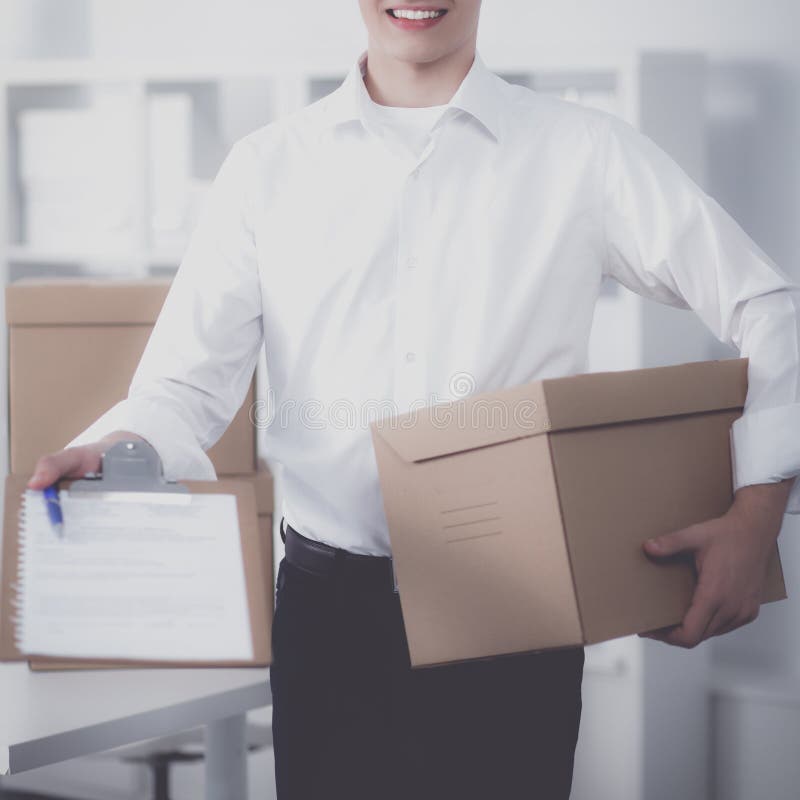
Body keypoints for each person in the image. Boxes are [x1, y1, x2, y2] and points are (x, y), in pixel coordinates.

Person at [29, 1, 800, 798]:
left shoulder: (581, 152)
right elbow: (183, 386)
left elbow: (769, 304)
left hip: (513, 618)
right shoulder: (267, 167)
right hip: (327, 626)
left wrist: (758, 508)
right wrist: (116, 448)